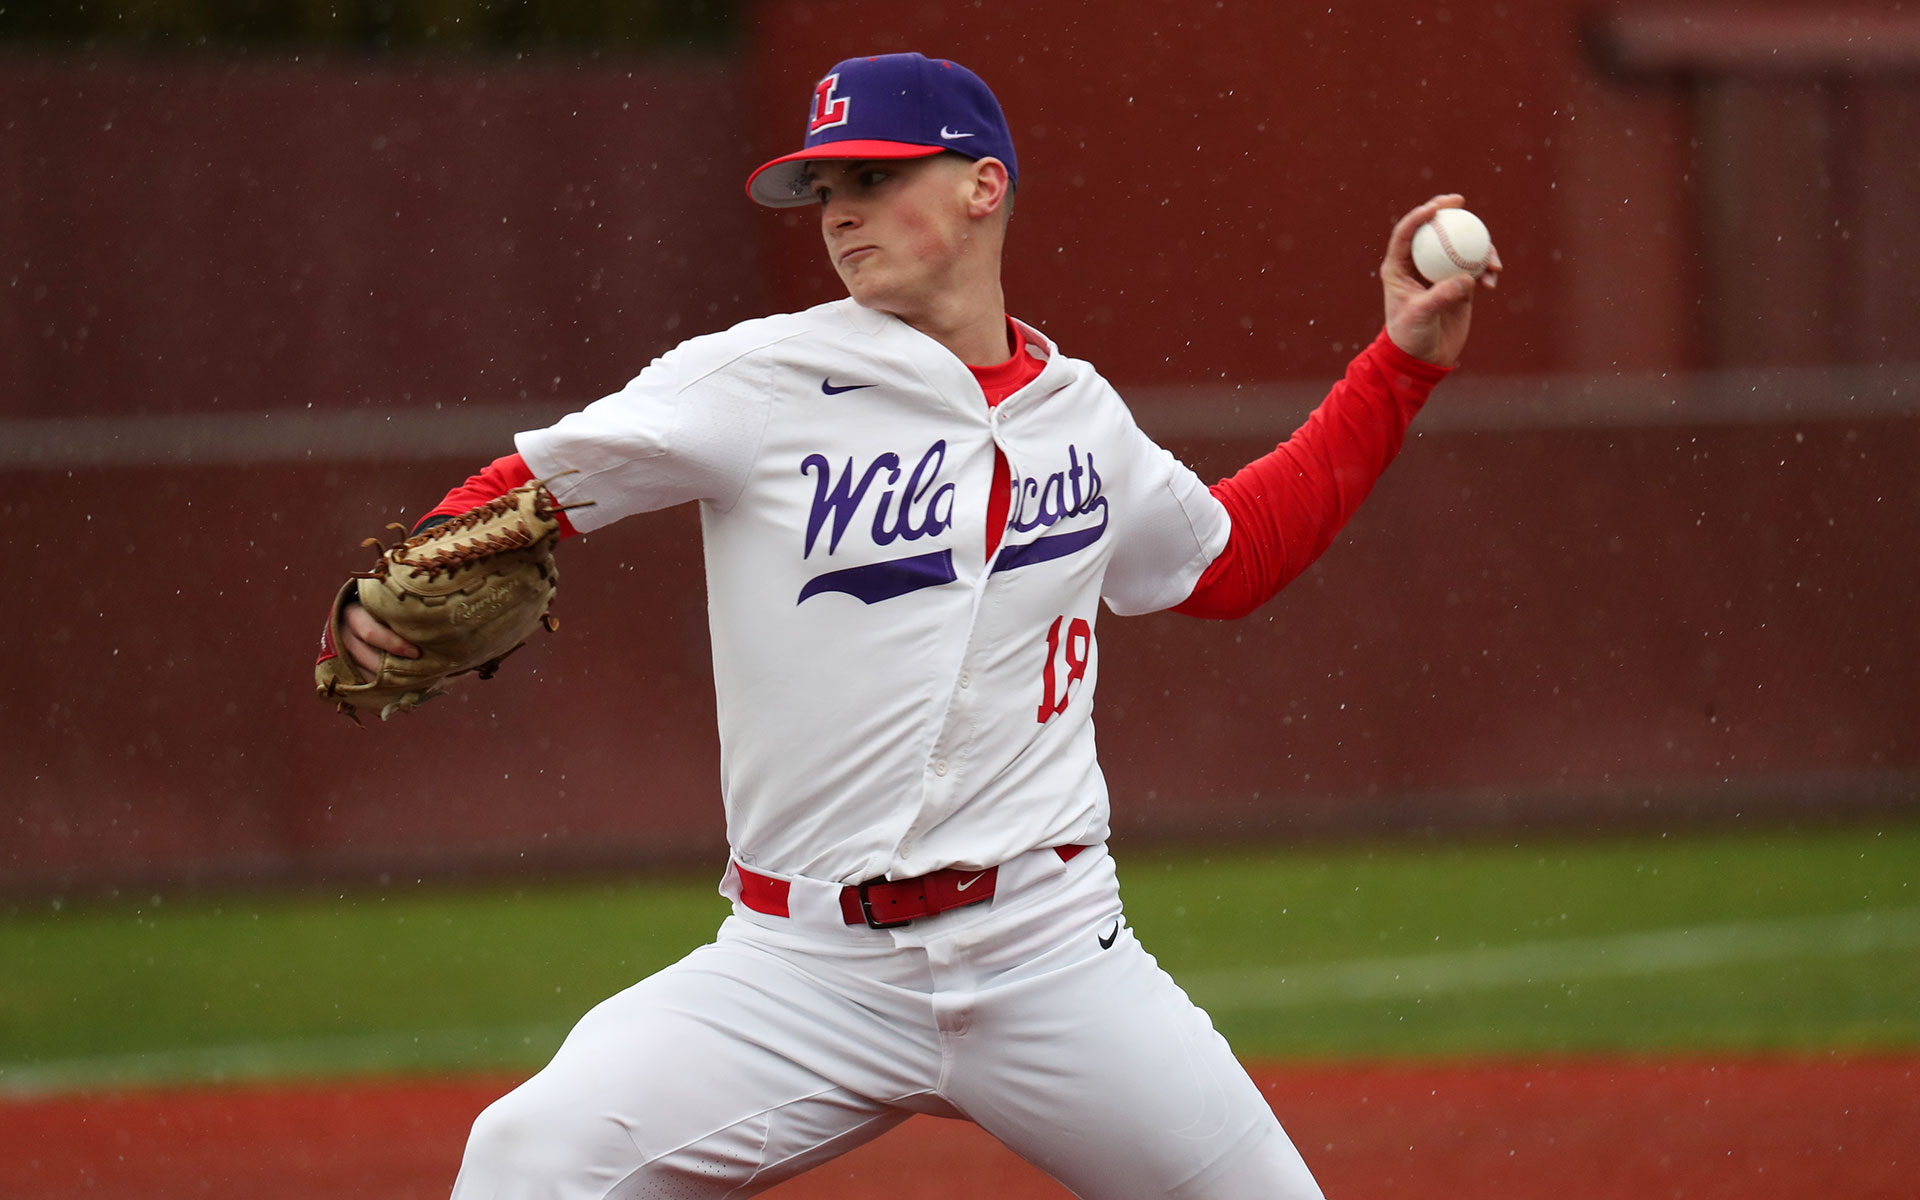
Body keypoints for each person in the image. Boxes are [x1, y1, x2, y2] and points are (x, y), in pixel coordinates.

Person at [334, 51, 1497, 1200]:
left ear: (984, 185)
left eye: (875, 178)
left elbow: (1231, 559)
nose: (840, 212)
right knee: (531, 1158)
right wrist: (393, 586)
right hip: (800, 970)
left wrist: (1399, 367)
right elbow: (519, 493)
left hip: (1049, 953)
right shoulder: (759, 380)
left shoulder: (1078, 413)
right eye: (824, 189)